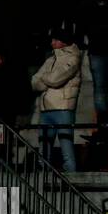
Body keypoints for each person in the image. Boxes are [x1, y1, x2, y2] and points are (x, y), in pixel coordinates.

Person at [31, 28, 82, 172]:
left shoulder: (73, 58)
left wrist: (45, 78)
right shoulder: (50, 59)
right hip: (46, 108)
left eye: (55, 39)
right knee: (44, 148)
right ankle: (43, 174)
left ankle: (72, 178)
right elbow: (34, 82)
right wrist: (47, 78)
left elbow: (55, 79)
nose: (52, 42)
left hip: (63, 108)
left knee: (66, 146)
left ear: (63, 41)